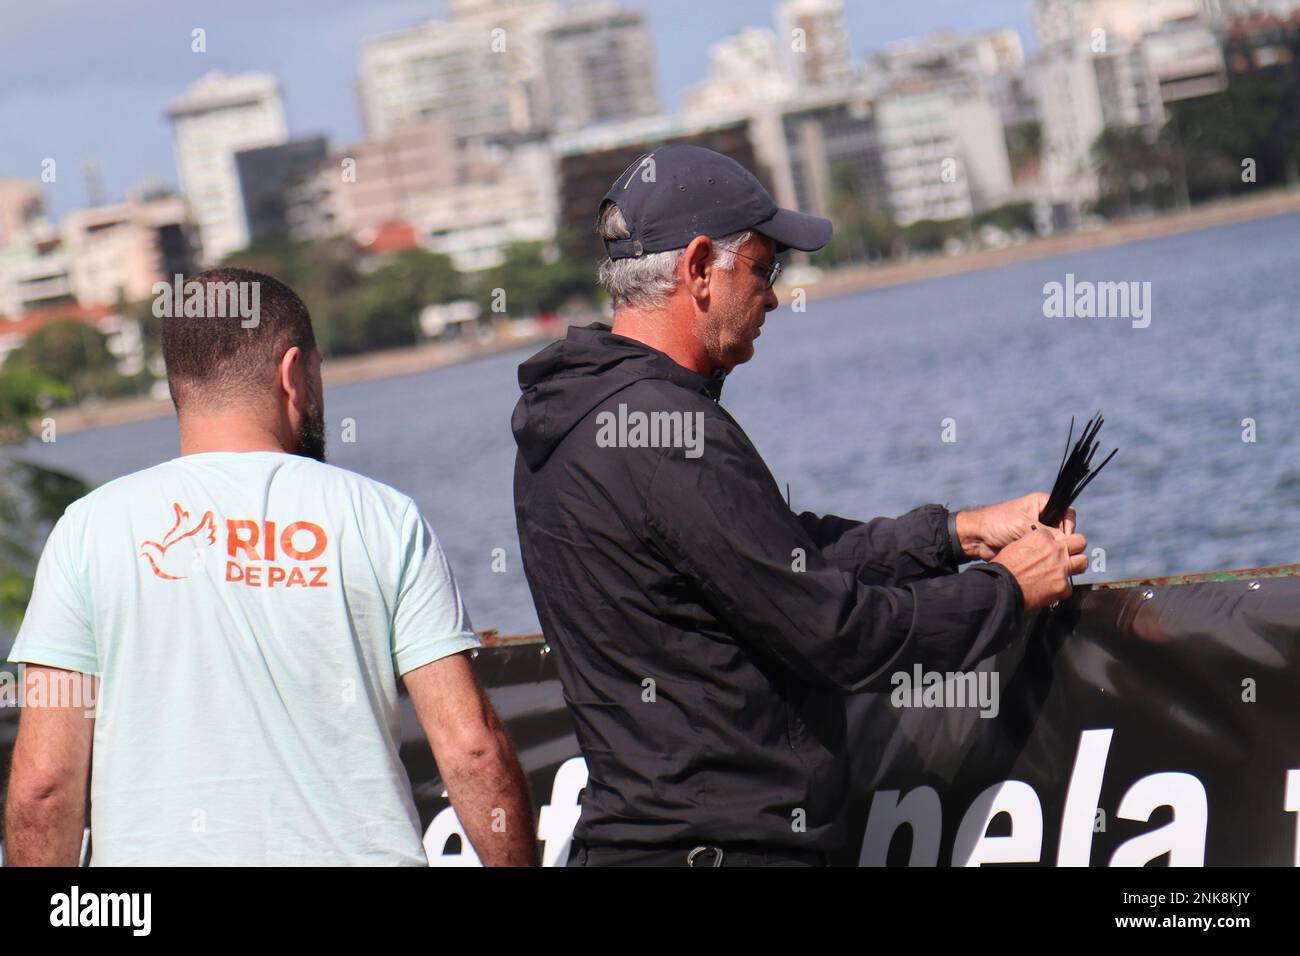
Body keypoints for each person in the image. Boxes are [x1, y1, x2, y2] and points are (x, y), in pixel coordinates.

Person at [511, 144, 1086, 867]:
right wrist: (1008, 591)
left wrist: (956, 535)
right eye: (762, 268)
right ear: (696, 269)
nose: (774, 296)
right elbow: (835, 632)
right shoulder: (669, 433)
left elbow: (765, 558)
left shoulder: (567, 418)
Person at [4, 267, 537, 866]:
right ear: (292, 374)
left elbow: (44, 786)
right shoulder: (382, 516)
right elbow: (471, 750)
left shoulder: (87, 529)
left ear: (180, 384)